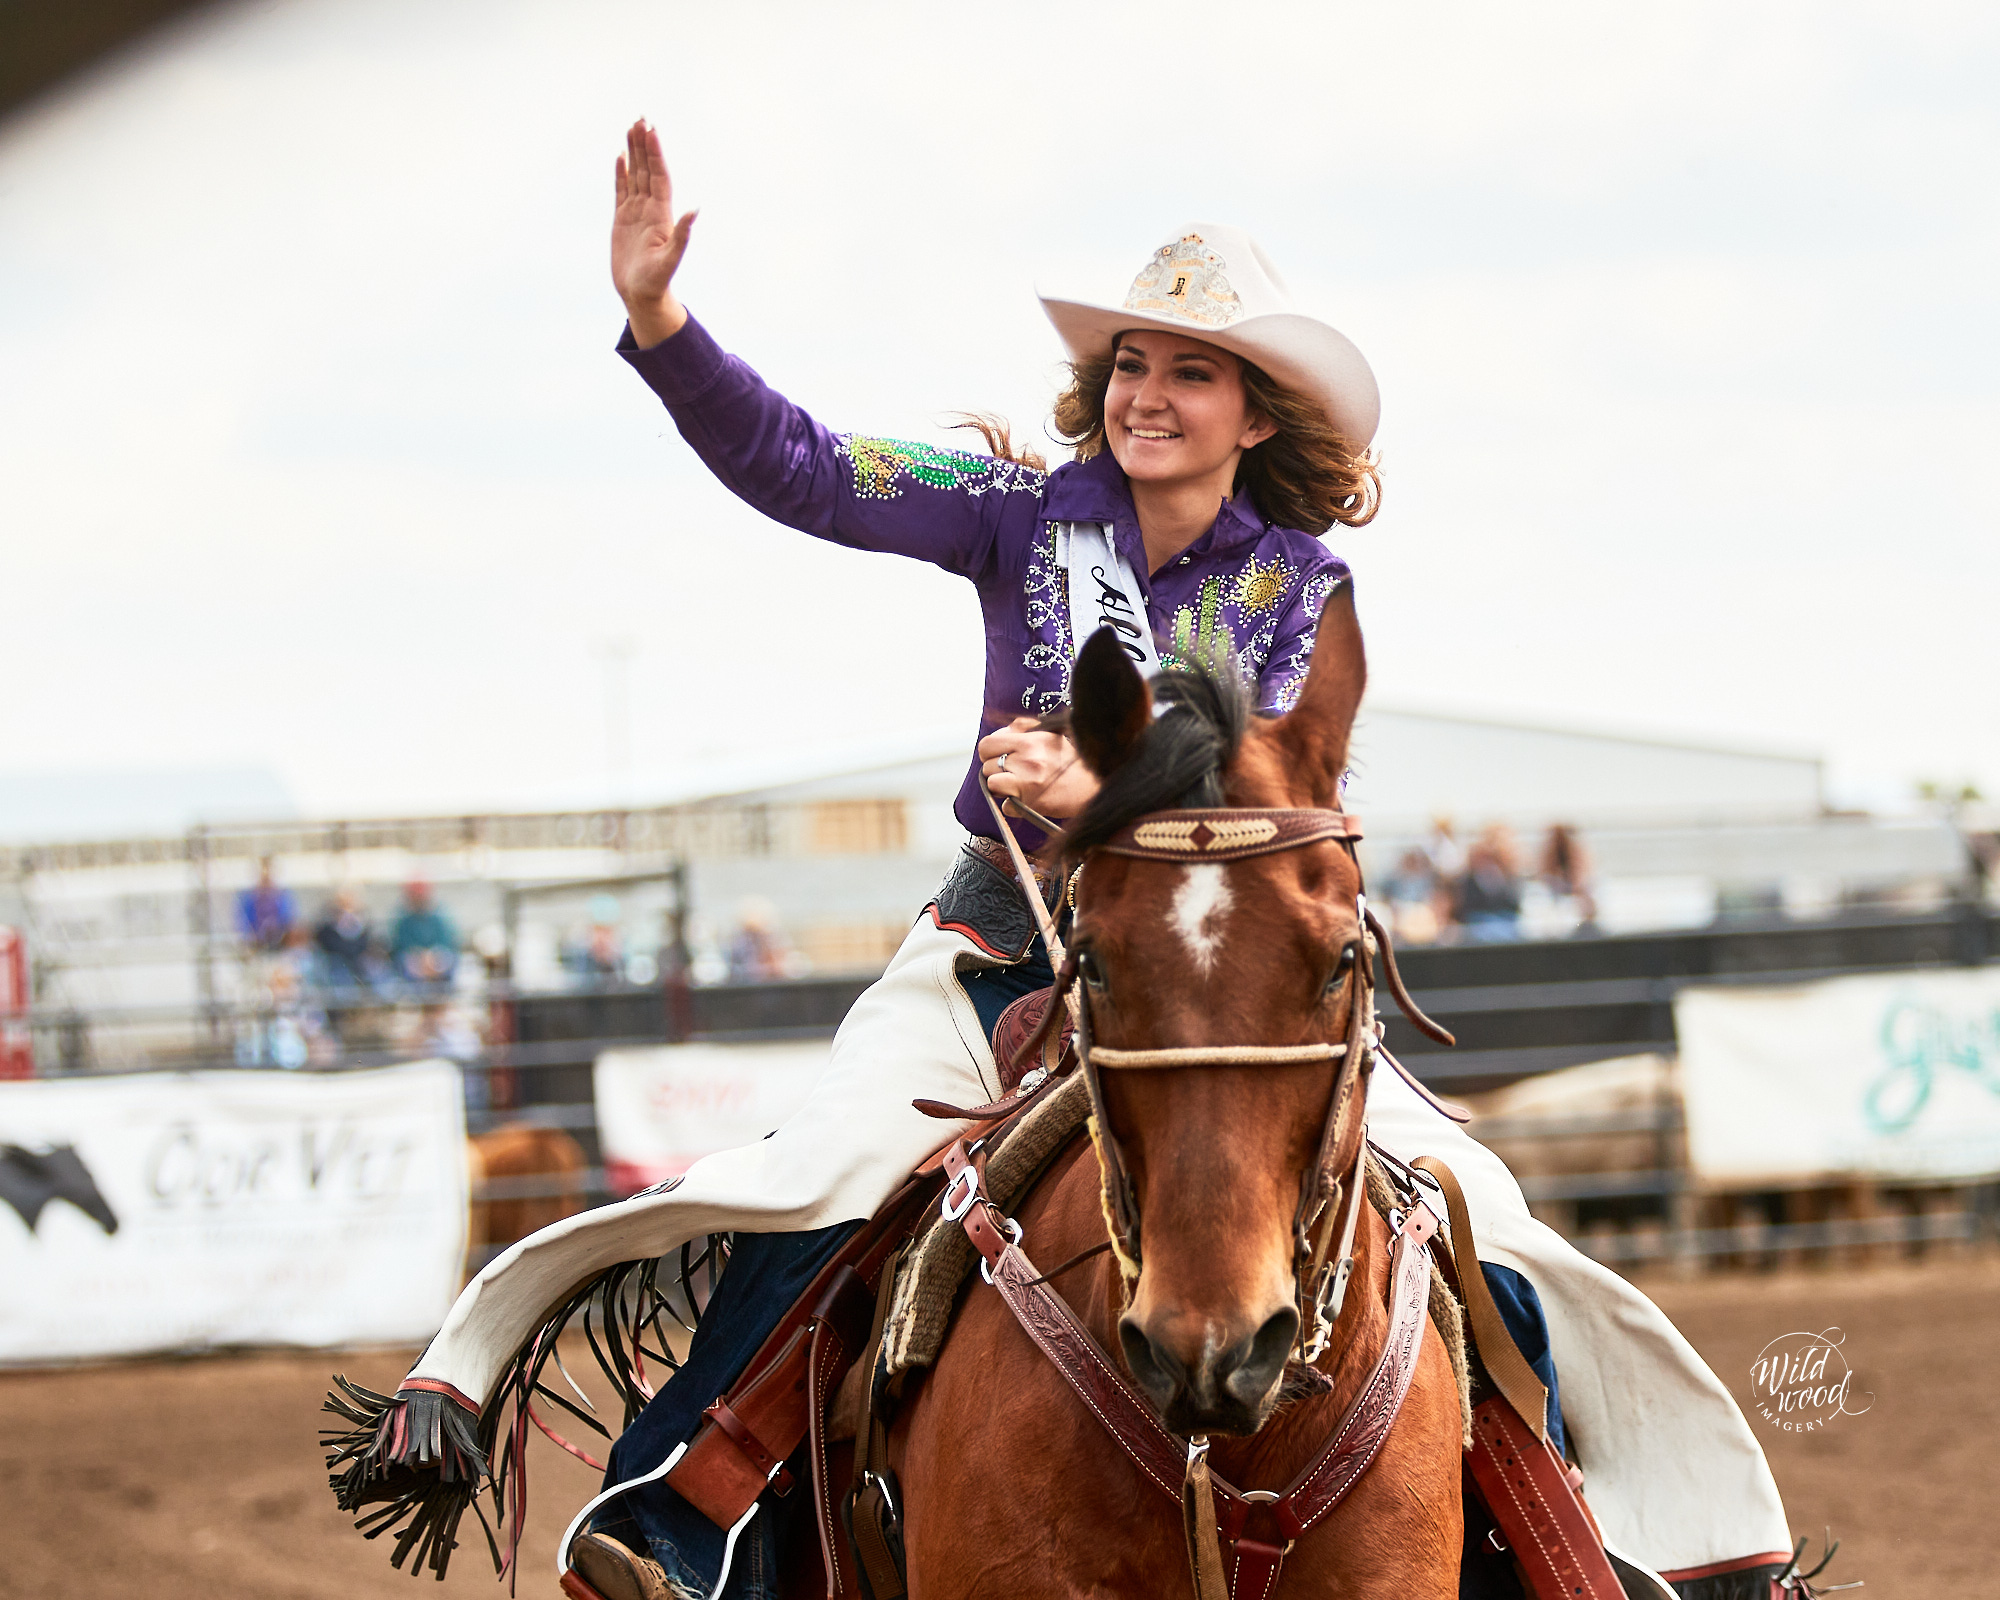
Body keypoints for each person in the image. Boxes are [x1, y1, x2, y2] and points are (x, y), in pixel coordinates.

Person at [358, 124, 1792, 1600]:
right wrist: (663, 323)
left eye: (1190, 370)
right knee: (824, 1176)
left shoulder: (1293, 586)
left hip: (1227, 970)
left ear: (1256, 412)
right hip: (996, 950)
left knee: (1474, 1211)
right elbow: (802, 463)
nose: (1148, 395)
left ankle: (1601, 1556)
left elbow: (1263, 786)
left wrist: (1089, 779)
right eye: (1130, 365)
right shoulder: (1022, 516)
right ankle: (685, 1511)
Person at [1452, 822, 1525, 942]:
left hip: (1503, 922)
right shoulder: (1468, 880)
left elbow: (1513, 904)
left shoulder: (1506, 877)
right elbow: (1467, 907)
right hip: (1477, 924)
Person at [389, 878, 458, 989]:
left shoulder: (438, 916)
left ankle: (442, 995)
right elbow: (402, 944)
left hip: (435, 957)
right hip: (414, 959)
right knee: (406, 962)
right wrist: (419, 956)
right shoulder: (404, 919)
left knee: (445, 960)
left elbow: (445, 941)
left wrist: (431, 956)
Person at [234, 857, 298, 953]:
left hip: (280, 946)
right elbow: (243, 923)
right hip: (255, 946)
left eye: (269, 870)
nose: (266, 875)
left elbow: (290, 920)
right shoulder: (248, 898)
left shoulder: (283, 897)